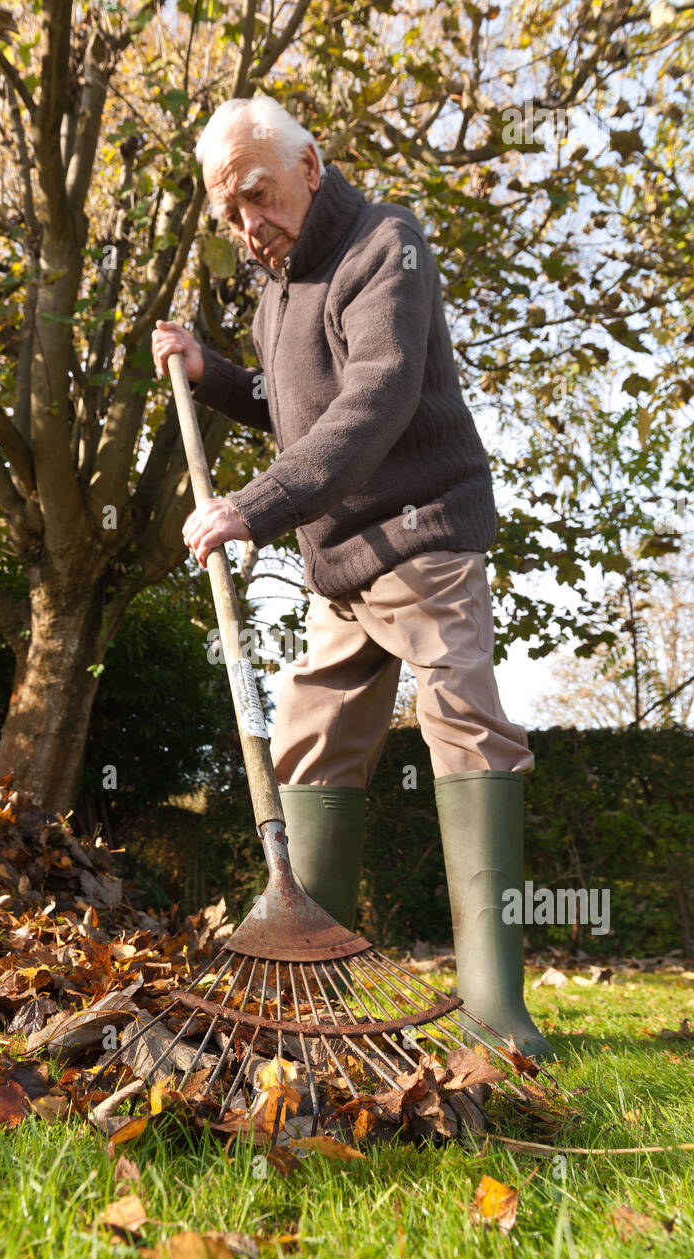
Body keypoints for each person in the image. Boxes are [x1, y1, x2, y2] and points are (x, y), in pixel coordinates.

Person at [151, 94, 554, 1058]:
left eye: (258, 194)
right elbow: (295, 412)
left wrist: (252, 505)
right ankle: (307, 976)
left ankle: (495, 1006)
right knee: (312, 743)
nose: (249, 224)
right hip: (337, 562)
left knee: (464, 729)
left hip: (420, 538)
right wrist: (212, 374)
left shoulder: (388, 245)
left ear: (309, 162)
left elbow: (373, 399)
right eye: (230, 213)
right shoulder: (274, 287)